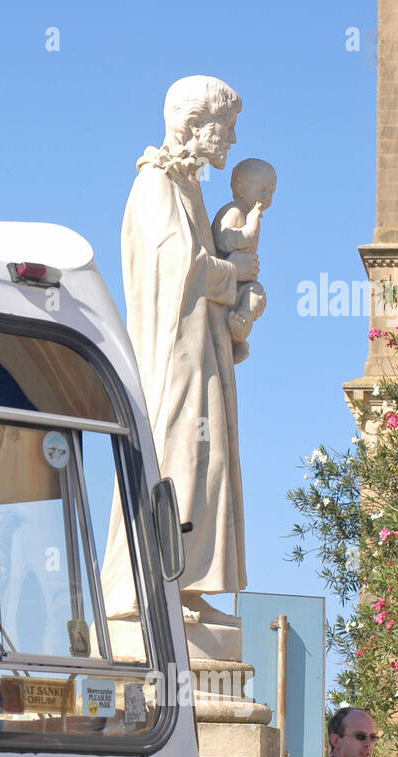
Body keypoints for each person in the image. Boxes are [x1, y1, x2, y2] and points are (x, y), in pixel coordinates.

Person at [104, 75, 257, 626]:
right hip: (172, 361)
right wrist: (232, 270)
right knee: (175, 460)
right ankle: (147, 588)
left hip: (201, 354)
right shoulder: (155, 186)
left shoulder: (188, 188)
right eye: (227, 126)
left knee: (204, 461)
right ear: (194, 124)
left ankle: (185, 586)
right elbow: (181, 268)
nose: (233, 140)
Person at [212, 158, 276, 361]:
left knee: (256, 295)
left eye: (271, 192)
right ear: (240, 188)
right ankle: (236, 332)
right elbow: (223, 241)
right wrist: (248, 231)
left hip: (239, 286)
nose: (267, 196)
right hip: (225, 283)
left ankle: (240, 328)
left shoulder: (249, 215)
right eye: (262, 189)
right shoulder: (234, 212)